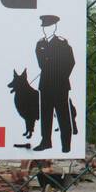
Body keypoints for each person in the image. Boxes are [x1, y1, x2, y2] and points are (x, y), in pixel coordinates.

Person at [33, 14, 77, 152]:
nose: (46, 29)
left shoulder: (63, 44)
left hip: (60, 85)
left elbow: (71, 62)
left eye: (49, 27)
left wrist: (61, 76)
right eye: (45, 27)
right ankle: (46, 141)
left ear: (55, 26)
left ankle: (66, 145)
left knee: (63, 115)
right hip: (45, 84)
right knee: (45, 115)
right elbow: (42, 64)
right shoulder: (40, 44)